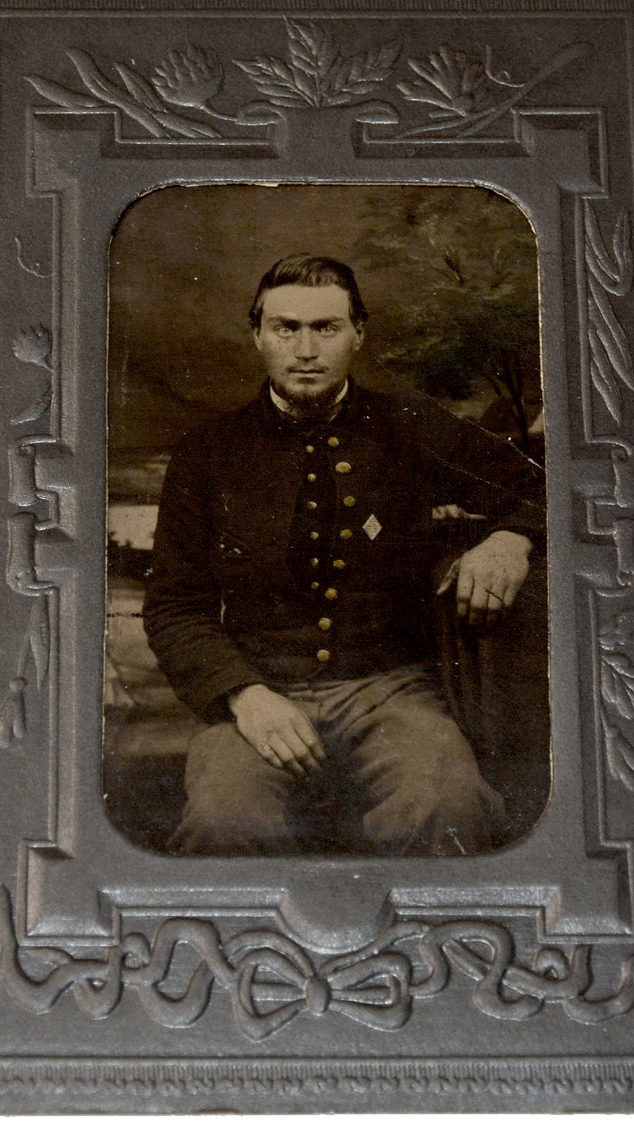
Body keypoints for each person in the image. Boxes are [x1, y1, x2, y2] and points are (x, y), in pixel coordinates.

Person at [143, 254, 544, 857]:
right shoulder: (207, 454)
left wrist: (512, 538)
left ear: (359, 334)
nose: (306, 349)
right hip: (257, 691)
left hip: (394, 690)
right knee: (224, 821)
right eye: (286, 328)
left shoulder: (410, 425)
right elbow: (175, 606)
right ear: (257, 336)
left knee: (448, 804)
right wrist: (242, 697)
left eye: (325, 328)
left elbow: (541, 484)